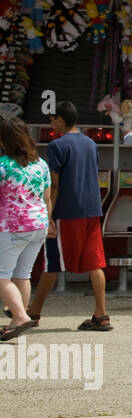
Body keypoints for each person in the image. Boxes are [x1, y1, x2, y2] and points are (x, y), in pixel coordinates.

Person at [27, 101, 109, 331]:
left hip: (67, 212)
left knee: (52, 262)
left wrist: (48, 215)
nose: (51, 124)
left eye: (52, 119)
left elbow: (54, 184)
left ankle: (34, 312)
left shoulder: (56, 145)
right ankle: (101, 315)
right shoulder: (91, 144)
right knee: (95, 262)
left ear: (61, 120)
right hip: (92, 210)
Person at [0, 117, 52, 341]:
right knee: (22, 275)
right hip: (39, 224)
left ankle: (20, 316)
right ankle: (16, 321)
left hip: (12, 226)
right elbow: (47, 197)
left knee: (1, 276)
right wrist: (48, 223)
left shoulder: (3, 165)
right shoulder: (41, 164)